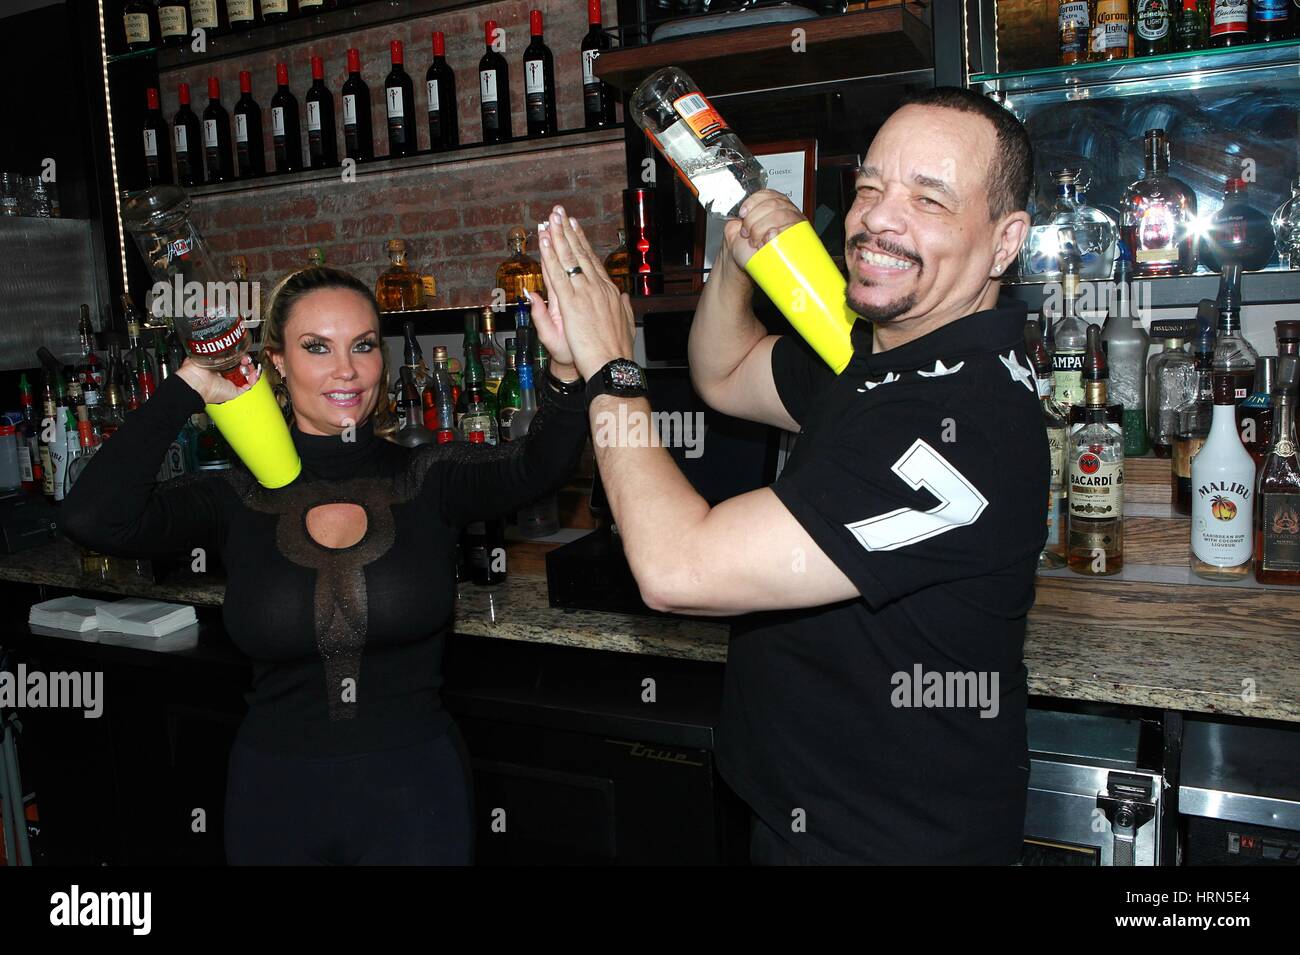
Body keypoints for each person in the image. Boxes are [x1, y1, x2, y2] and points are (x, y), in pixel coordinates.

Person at [528, 86, 1045, 864]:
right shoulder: (885, 352)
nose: (878, 216)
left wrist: (611, 369)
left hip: (888, 844)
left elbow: (677, 567)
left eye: (929, 200)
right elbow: (726, 371)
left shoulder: (959, 415)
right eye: (870, 186)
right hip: (808, 815)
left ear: (1005, 243)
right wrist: (743, 261)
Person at [58, 266, 589, 865]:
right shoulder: (235, 493)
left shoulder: (428, 477)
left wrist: (566, 371)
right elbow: (93, 518)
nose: (347, 370)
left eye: (363, 345)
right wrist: (188, 385)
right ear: (276, 362)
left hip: (418, 797)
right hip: (275, 799)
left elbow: (538, 465)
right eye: (317, 347)